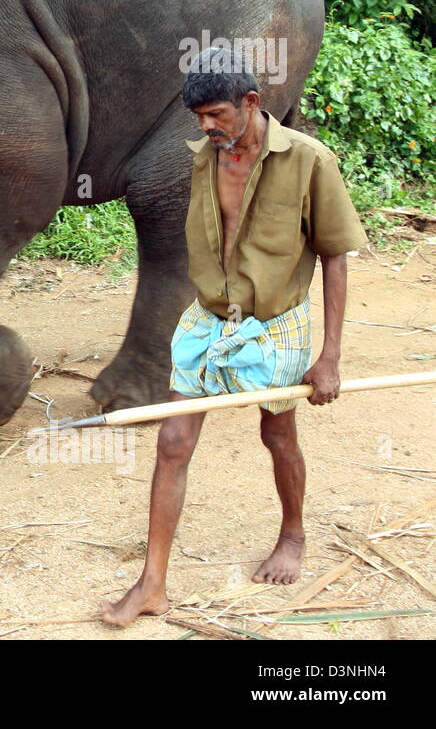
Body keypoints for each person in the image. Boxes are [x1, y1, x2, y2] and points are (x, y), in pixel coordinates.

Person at [100, 45, 368, 628]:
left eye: (217, 115)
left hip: (278, 322)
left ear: (251, 101)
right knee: (172, 442)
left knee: (277, 435)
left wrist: (330, 357)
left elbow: (335, 256)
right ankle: (152, 583)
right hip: (209, 317)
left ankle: (293, 533)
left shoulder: (308, 160)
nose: (207, 127)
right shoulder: (205, 158)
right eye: (198, 118)